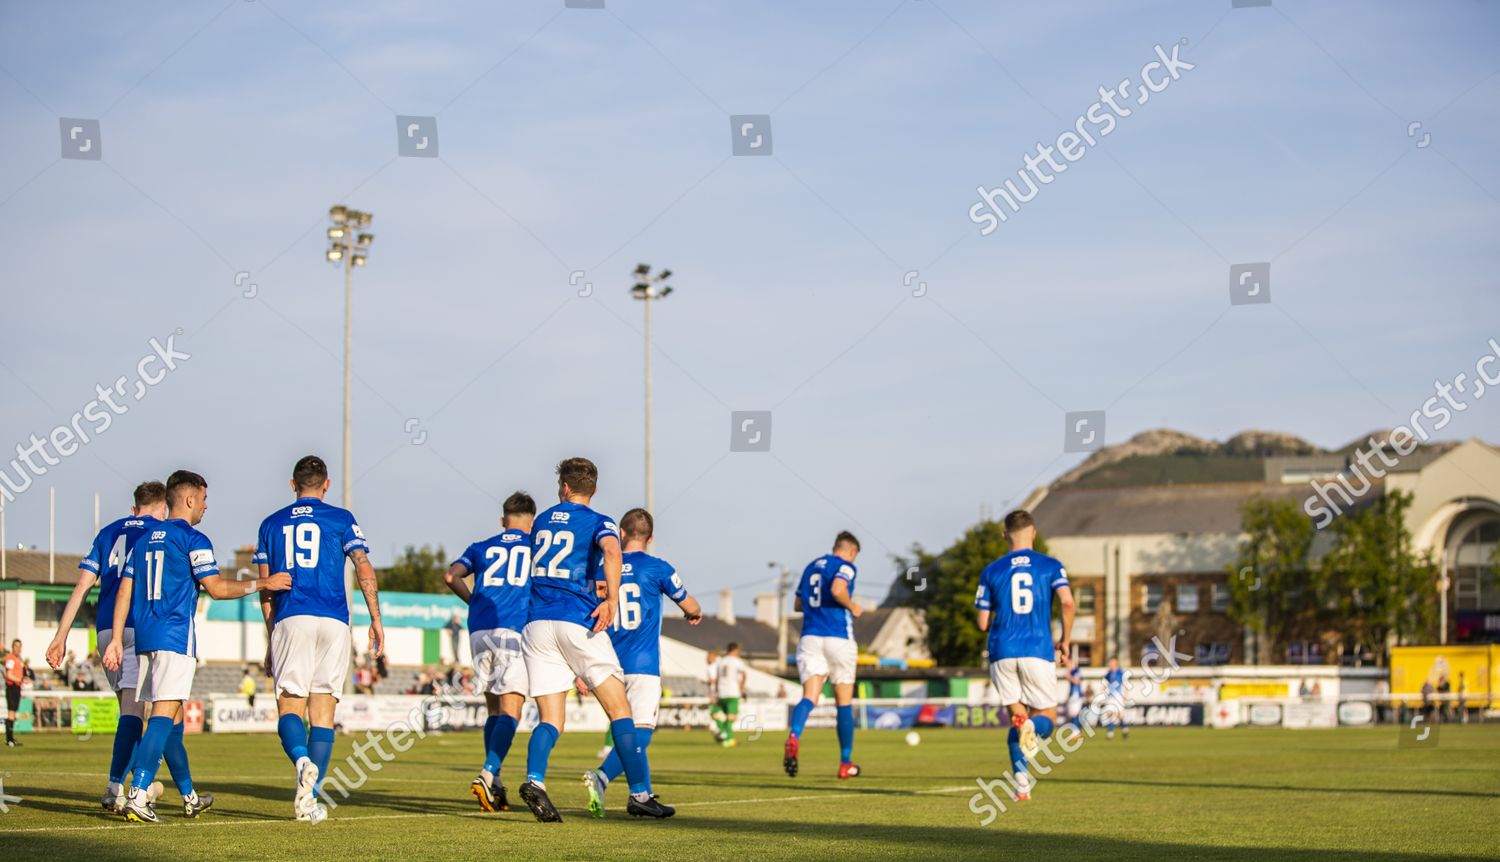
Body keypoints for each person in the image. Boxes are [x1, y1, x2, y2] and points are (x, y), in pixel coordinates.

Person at [104, 469, 291, 823]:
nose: (205, 506)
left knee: (171, 721)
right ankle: (139, 794)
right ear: (189, 499)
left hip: (143, 638)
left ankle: (189, 796)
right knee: (162, 716)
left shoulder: (142, 540)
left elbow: (125, 590)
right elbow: (217, 589)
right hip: (174, 636)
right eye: (203, 499)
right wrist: (265, 582)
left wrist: (116, 637)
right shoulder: (193, 538)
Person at [517, 457, 672, 821]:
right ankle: (639, 794)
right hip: (577, 621)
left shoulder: (540, 521)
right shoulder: (600, 521)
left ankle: (535, 780)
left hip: (537, 623)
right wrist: (611, 598)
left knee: (550, 720)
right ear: (594, 490)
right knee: (621, 711)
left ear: (564, 487)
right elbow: (612, 551)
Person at [255, 455, 384, 824]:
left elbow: (266, 589)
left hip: (291, 618)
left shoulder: (271, 523)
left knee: (289, 708)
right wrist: (375, 619)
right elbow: (363, 566)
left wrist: (271, 637)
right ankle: (308, 801)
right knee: (324, 713)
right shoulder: (342, 519)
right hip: (334, 621)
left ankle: (301, 760)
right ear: (326, 485)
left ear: (293, 485)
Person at [44, 481, 169, 807]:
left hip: (104, 630)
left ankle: (137, 784)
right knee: (136, 712)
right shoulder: (161, 531)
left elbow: (83, 585)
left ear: (133, 508)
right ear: (164, 508)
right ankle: (121, 789)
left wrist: (60, 636)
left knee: (128, 710)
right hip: (140, 625)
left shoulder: (108, 533)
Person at [582, 507, 702, 817]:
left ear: (621, 534)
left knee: (628, 731)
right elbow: (690, 603)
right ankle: (602, 776)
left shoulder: (601, 568)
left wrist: (581, 668)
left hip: (607, 662)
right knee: (642, 733)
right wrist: (694, 612)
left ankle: (642, 795)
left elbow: (589, 615)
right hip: (642, 663)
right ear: (650, 538)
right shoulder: (658, 568)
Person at [444, 490, 536, 813]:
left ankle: (495, 786)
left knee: (494, 710)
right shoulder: (535, 546)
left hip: (479, 631)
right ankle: (486, 775)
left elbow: (450, 575)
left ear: (502, 521)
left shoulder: (481, 547)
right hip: (512, 631)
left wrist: (473, 602)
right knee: (512, 710)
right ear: (532, 522)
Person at [973, 509, 1075, 802]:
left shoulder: (991, 570)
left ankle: (1021, 784)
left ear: (1004, 535)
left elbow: (982, 623)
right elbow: (1067, 602)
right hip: (1037, 649)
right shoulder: (1051, 565)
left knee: (1017, 719)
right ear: (1033, 533)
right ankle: (1031, 729)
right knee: (1045, 719)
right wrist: (1065, 639)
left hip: (1001, 650)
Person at [783, 531, 864, 780]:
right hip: (838, 637)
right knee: (844, 702)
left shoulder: (810, 567)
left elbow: (797, 604)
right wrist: (852, 605)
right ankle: (845, 763)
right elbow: (838, 589)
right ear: (851, 551)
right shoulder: (846, 566)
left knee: (809, 696)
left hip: (810, 637)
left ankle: (794, 735)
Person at [714, 643, 749, 747]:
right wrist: (742, 686)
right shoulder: (736, 661)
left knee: (723, 716)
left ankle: (722, 732)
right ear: (735, 651)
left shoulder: (721, 661)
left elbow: (717, 679)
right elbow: (745, 673)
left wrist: (716, 691)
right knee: (731, 717)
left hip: (721, 691)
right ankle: (728, 739)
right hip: (732, 692)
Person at [4, 639, 24, 747]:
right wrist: (20, 680)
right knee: (11, 713)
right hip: (12, 687)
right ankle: (9, 739)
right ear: (12, 647)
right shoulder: (11, 658)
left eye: (20, 646)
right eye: (16, 646)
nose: (18, 648)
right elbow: (9, 675)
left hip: (17, 688)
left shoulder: (19, 659)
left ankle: (11, 738)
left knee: (13, 713)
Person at [1104, 657, 1128, 740]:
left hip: (1119, 696)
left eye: (1111, 662)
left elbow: (1126, 685)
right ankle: (1110, 733)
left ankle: (1124, 728)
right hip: (1111, 696)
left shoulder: (1121, 673)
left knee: (1119, 716)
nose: (1110, 664)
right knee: (1109, 714)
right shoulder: (1108, 673)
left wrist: (1125, 695)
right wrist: (1104, 690)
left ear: (1116, 663)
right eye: (1110, 662)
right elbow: (1105, 683)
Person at [1065, 656, 1085, 727]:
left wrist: (1069, 677)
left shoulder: (1076, 671)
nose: (1067, 666)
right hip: (1072, 695)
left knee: (1075, 713)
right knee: (1072, 714)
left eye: (1069, 664)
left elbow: (1077, 682)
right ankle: (1076, 730)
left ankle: (1076, 730)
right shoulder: (1071, 672)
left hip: (1077, 695)